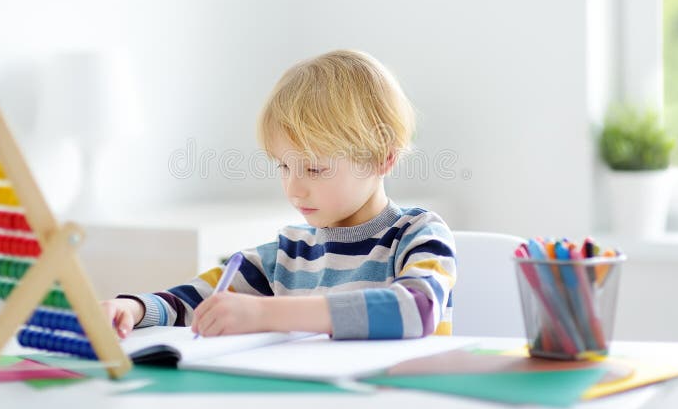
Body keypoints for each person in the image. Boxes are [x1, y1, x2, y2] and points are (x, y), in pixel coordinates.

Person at [102, 49, 456, 340]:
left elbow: (416, 310)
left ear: (382, 158)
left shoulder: (418, 234)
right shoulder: (286, 255)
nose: (293, 188)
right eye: (283, 167)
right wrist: (134, 308)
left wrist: (266, 312)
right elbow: (194, 300)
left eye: (315, 169)